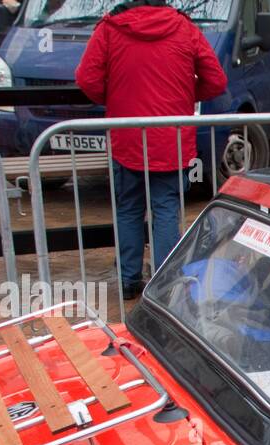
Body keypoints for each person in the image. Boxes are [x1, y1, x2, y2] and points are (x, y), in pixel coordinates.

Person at [76, 0, 227, 299]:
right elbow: (216, 81)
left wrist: (117, 98)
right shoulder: (185, 27)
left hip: (127, 138)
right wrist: (185, 95)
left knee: (129, 209)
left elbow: (87, 79)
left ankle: (127, 281)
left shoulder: (110, 28)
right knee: (166, 210)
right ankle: (164, 283)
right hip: (171, 140)